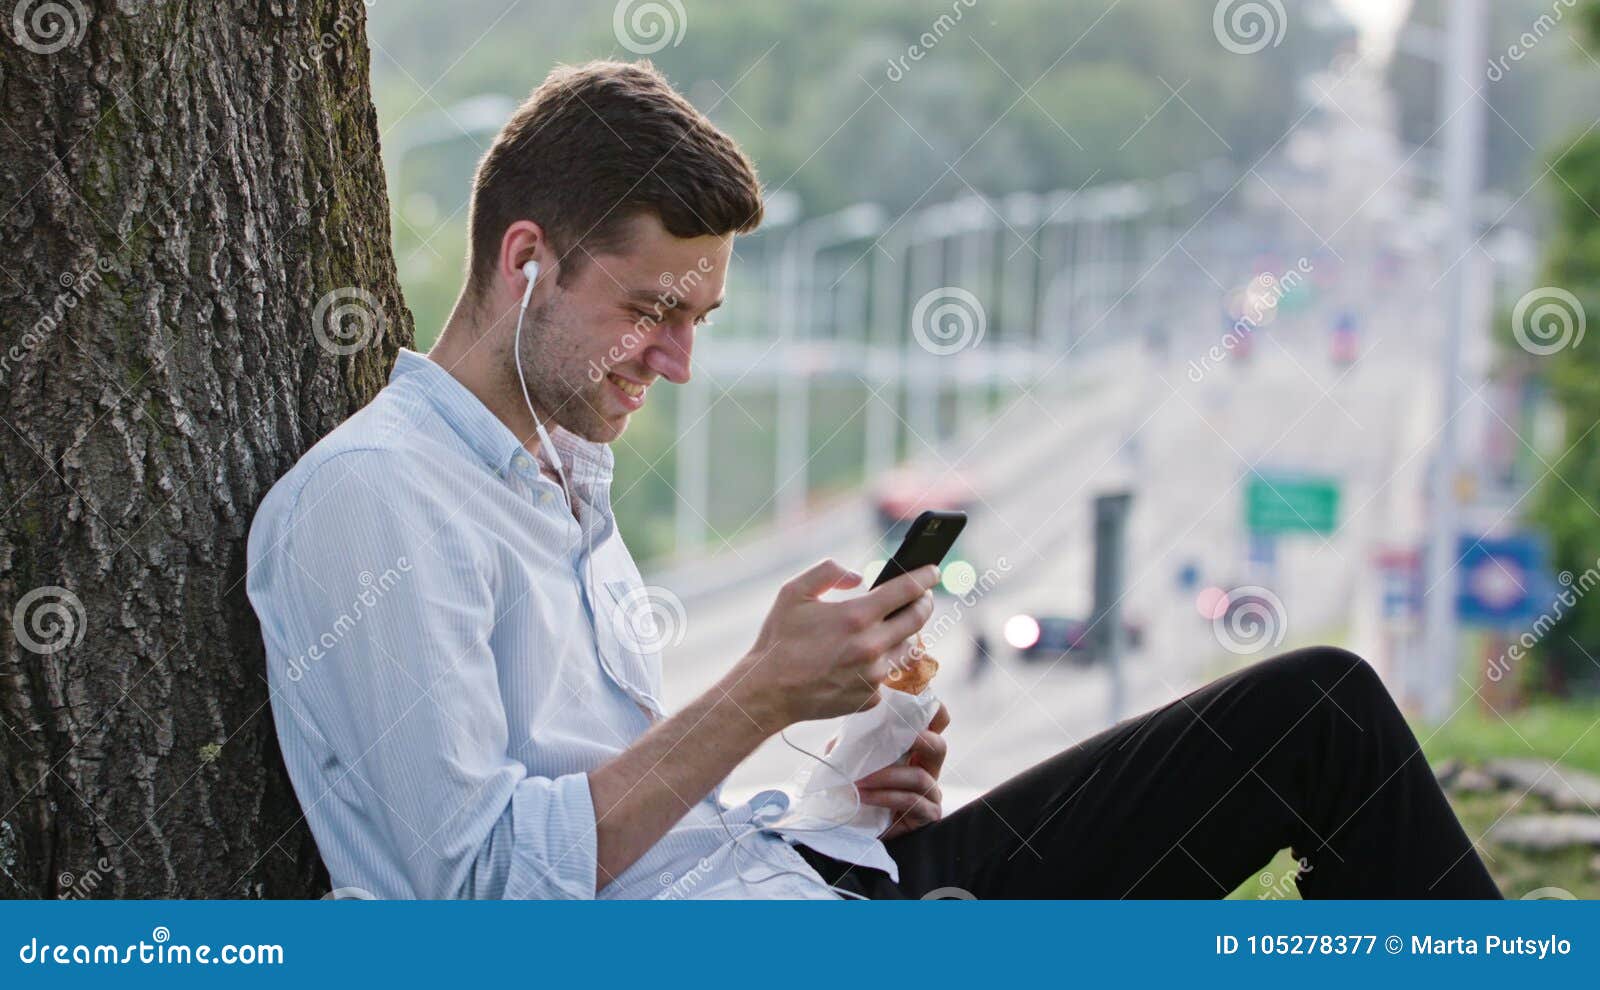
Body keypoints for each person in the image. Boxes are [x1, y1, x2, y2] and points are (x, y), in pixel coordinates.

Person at [246, 59, 1500, 901]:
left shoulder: (560, 483)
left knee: (1316, 719)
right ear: (525, 263)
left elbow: (635, 840)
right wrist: (753, 696)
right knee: (1316, 732)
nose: (677, 362)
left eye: (701, 318)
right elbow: (474, 899)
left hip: (818, 895)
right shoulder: (379, 501)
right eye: (650, 311)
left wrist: (839, 789)